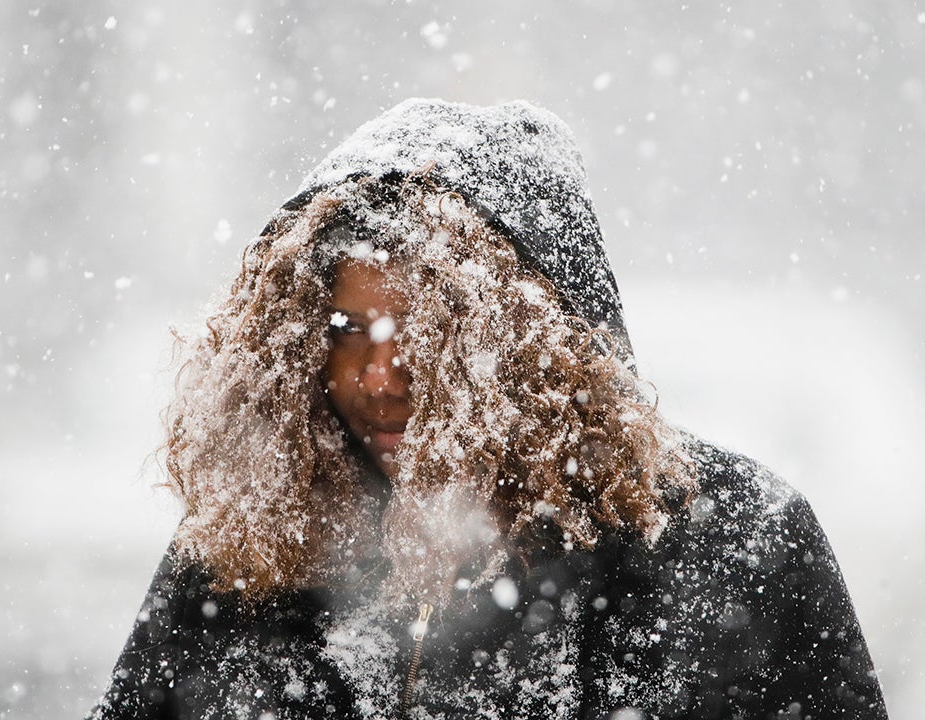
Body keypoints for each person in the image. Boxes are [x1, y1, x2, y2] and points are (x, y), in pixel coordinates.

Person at [87, 99, 886, 719]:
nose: (379, 376)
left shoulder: (733, 541)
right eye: (344, 331)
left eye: (428, 333)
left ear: (532, 349)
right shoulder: (252, 548)